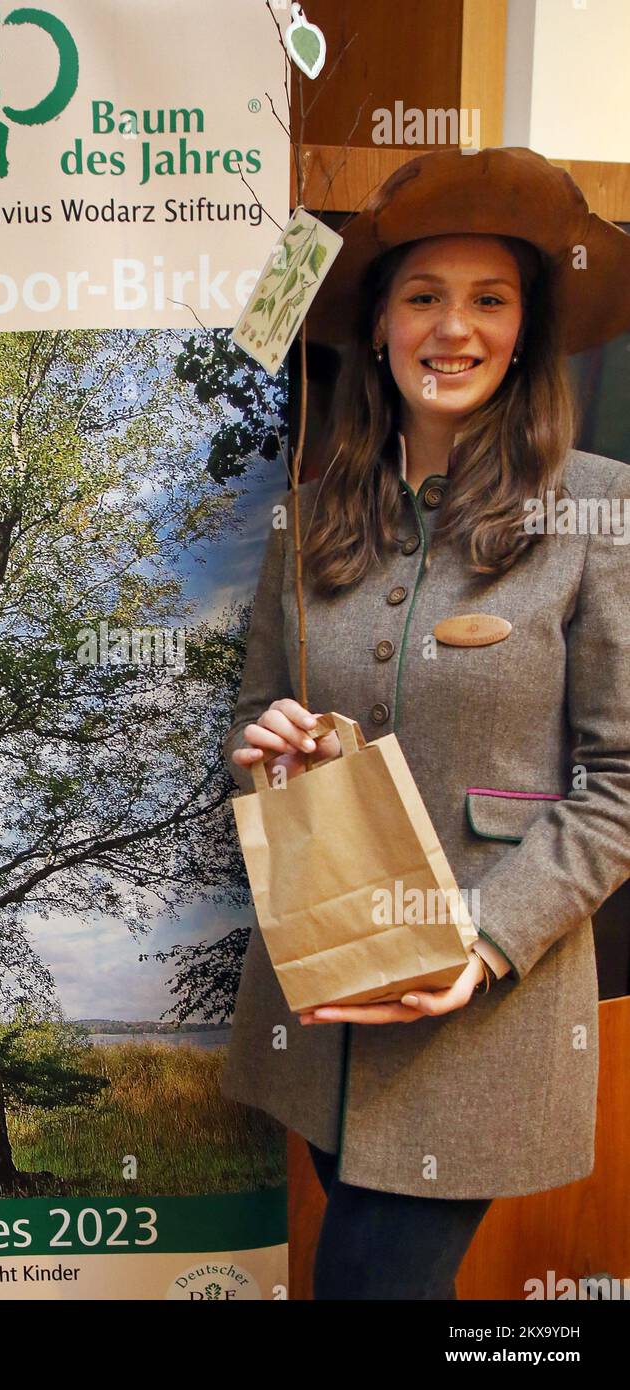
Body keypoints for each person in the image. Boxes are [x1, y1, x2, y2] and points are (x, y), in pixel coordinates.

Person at [219, 147, 630, 1300]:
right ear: (381, 324)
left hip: (480, 1017)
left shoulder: (600, 508)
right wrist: (268, 755)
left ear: (524, 329)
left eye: (488, 299)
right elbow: (257, 718)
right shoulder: (303, 523)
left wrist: (485, 941)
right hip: (326, 993)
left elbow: (623, 779)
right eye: (423, 296)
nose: (454, 328)